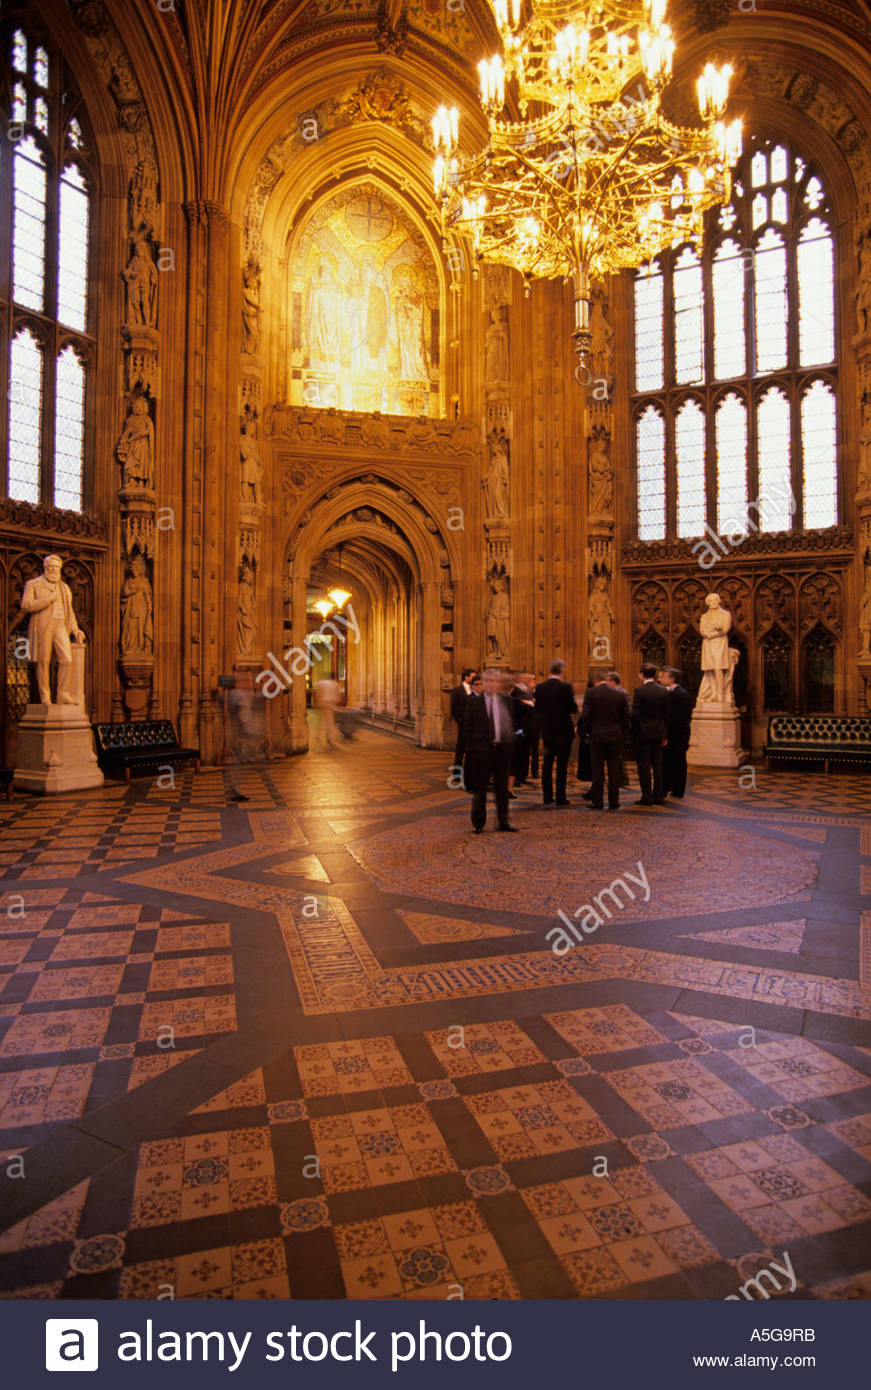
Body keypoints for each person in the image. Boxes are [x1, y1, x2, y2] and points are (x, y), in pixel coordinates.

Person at [20, 555, 84, 705]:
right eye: (51, 567)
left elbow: (70, 612)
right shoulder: (33, 584)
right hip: (42, 626)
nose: (54, 569)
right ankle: (45, 696)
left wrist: (75, 630)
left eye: (57, 567)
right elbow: (26, 605)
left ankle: (63, 694)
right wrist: (48, 599)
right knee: (43, 661)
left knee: (67, 659)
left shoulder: (64, 587)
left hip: (61, 625)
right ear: (46, 567)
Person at [462, 668, 518, 833]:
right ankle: (478, 823)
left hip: (502, 751)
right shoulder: (473, 703)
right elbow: (466, 729)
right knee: (480, 790)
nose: (492, 684)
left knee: (502, 789)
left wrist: (510, 744)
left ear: (498, 684)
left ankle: (503, 821)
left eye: (495, 681)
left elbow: (512, 724)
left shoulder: (507, 701)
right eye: (489, 681)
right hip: (482, 753)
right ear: (483, 683)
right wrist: (473, 750)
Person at [582, 672, 630, 810]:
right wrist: (622, 735)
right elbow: (626, 718)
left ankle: (598, 802)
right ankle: (614, 802)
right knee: (614, 771)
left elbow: (586, 716)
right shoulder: (619, 694)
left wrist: (588, 732)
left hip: (597, 736)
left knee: (598, 772)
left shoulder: (591, 693)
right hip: (615, 737)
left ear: (596, 680)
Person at [534, 659, 577, 807]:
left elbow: (537, 709)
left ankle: (547, 797)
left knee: (547, 765)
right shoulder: (565, 687)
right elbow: (573, 709)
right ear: (562, 671)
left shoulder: (539, 688)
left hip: (548, 731)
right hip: (564, 732)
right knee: (561, 765)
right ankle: (560, 798)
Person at [631, 663, 671, 805]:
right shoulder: (664, 691)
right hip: (659, 732)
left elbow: (635, 715)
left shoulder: (639, 691)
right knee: (658, 765)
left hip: (643, 734)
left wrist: (634, 733)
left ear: (641, 674)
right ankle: (658, 796)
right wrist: (665, 735)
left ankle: (646, 796)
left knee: (644, 766)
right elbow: (667, 715)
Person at [658, 666, 693, 798]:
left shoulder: (680, 694)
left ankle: (678, 789)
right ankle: (669, 787)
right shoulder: (672, 692)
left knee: (678, 762)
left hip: (677, 735)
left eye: (663, 676)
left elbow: (678, 717)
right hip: (674, 734)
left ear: (672, 678)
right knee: (669, 761)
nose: (660, 679)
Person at [450, 668, 477, 782]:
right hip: (463, 724)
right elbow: (454, 708)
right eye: (473, 676)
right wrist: (460, 721)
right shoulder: (457, 691)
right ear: (466, 677)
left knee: (470, 750)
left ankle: (468, 773)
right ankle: (457, 774)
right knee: (460, 750)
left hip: (474, 725)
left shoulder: (475, 690)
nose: (474, 678)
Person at [509, 671, 536, 789]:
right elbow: (521, 705)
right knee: (518, 753)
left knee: (526, 752)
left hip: (529, 726)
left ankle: (523, 776)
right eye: (529, 679)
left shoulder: (527, 691)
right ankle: (517, 778)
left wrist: (531, 703)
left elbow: (533, 704)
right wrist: (530, 703)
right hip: (520, 726)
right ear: (521, 679)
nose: (532, 681)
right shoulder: (516, 691)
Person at [607, 671, 632, 788]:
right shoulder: (613, 692)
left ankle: (622, 778)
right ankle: (619, 778)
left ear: (613, 681)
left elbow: (628, 711)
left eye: (608, 680)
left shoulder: (622, 693)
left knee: (618, 755)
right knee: (616, 755)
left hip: (620, 728)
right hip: (614, 728)